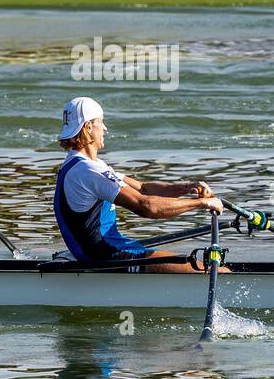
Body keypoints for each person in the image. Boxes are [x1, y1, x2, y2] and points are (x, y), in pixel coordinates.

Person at [55, 96, 225, 273]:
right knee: (214, 271)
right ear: (88, 127)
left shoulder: (81, 165)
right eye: (101, 122)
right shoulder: (88, 171)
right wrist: (202, 203)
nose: (105, 128)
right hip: (110, 257)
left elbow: (143, 188)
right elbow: (146, 206)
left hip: (107, 250)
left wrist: (188, 187)